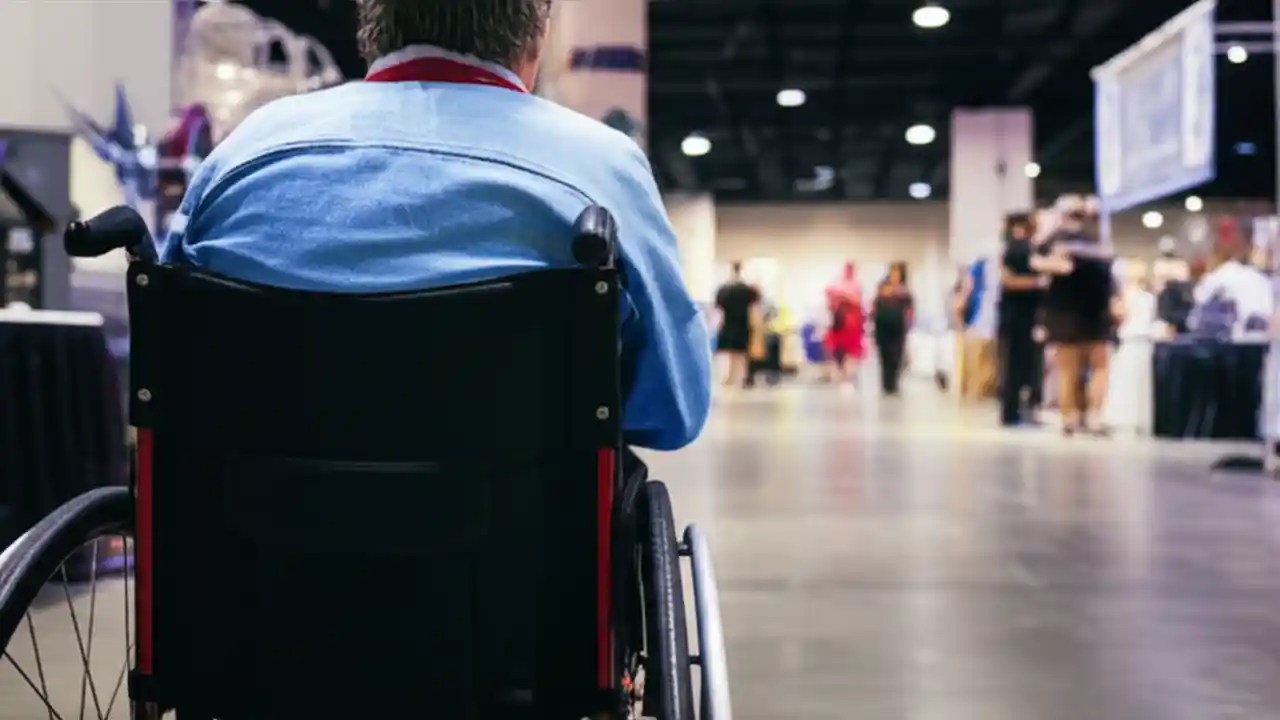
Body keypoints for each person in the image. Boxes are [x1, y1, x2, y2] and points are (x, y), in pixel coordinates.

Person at [160, 0, 711, 451]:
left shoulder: (248, 151)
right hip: (520, 560)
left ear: (371, 27)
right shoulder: (602, 167)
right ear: (535, 37)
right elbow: (674, 410)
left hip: (257, 548)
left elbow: (168, 362)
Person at [1032, 199, 1117, 435]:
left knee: (1069, 368)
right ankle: (1092, 417)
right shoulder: (1098, 240)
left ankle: (1069, 417)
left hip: (1066, 310)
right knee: (1098, 365)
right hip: (1094, 309)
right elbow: (1109, 276)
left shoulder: (1054, 240)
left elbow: (1038, 262)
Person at [997, 213, 1043, 426]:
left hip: (1018, 316)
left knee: (1020, 365)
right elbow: (1009, 281)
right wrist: (1040, 283)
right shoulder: (1018, 249)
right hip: (1019, 317)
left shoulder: (1014, 248)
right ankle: (1013, 411)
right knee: (1019, 365)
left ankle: (1015, 411)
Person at [715, 262, 760, 388]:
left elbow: (719, 308)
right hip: (741, 323)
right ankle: (741, 377)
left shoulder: (725, 289)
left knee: (733, 352)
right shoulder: (747, 290)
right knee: (741, 352)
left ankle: (732, 377)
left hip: (731, 322)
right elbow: (754, 307)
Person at [873, 263, 913, 395]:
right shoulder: (882, 288)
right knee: (884, 356)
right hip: (882, 327)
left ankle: (894, 384)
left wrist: (909, 323)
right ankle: (886, 385)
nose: (895, 275)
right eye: (893, 272)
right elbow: (874, 307)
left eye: (897, 272)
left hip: (897, 327)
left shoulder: (904, 291)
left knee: (896, 355)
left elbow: (910, 309)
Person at [824, 262, 865, 385]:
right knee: (837, 348)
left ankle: (848, 375)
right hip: (839, 323)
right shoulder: (838, 283)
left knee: (851, 351)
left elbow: (858, 301)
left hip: (852, 324)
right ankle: (840, 372)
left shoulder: (856, 285)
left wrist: (844, 296)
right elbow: (830, 303)